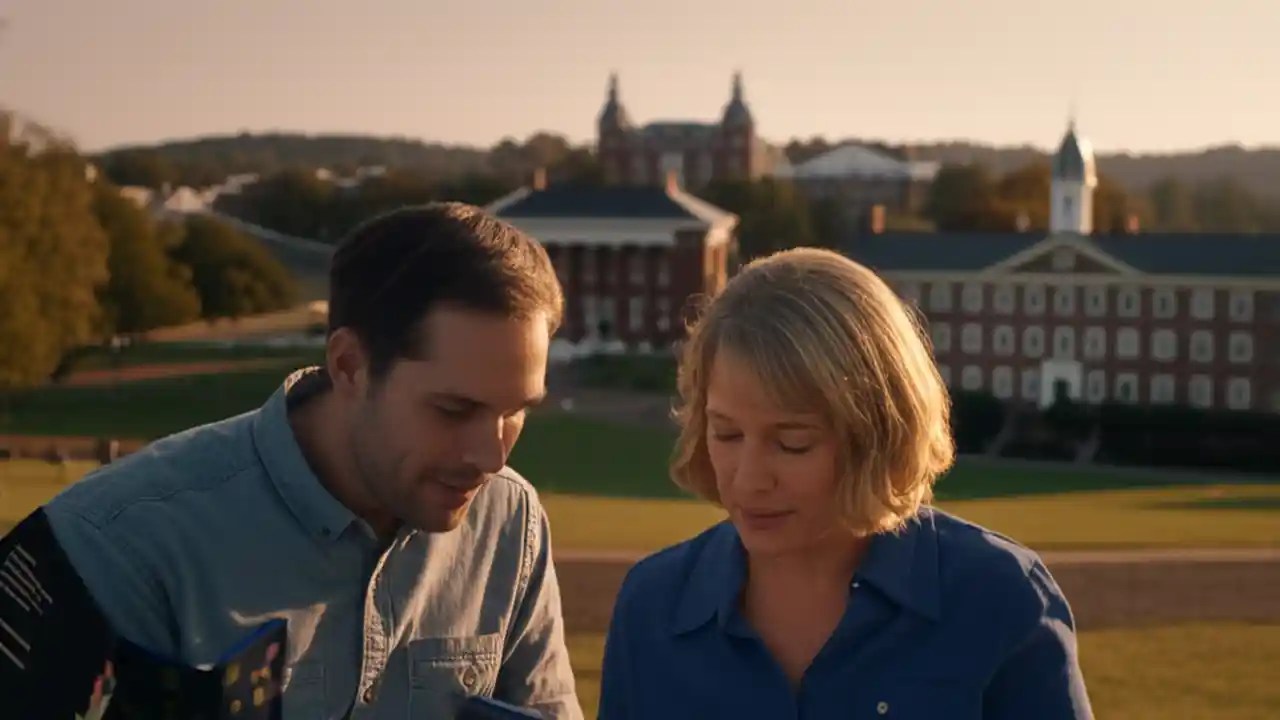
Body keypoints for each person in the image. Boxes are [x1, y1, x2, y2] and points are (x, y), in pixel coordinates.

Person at [39, 203, 583, 719]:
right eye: (453, 409)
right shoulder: (115, 541)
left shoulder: (511, 519)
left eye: (515, 411)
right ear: (349, 366)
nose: (490, 456)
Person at [597, 247, 1093, 719]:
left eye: (792, 443)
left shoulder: (1000, 600)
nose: (748, 480)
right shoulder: (653, 606)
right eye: (725, 433)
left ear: (877, 434)